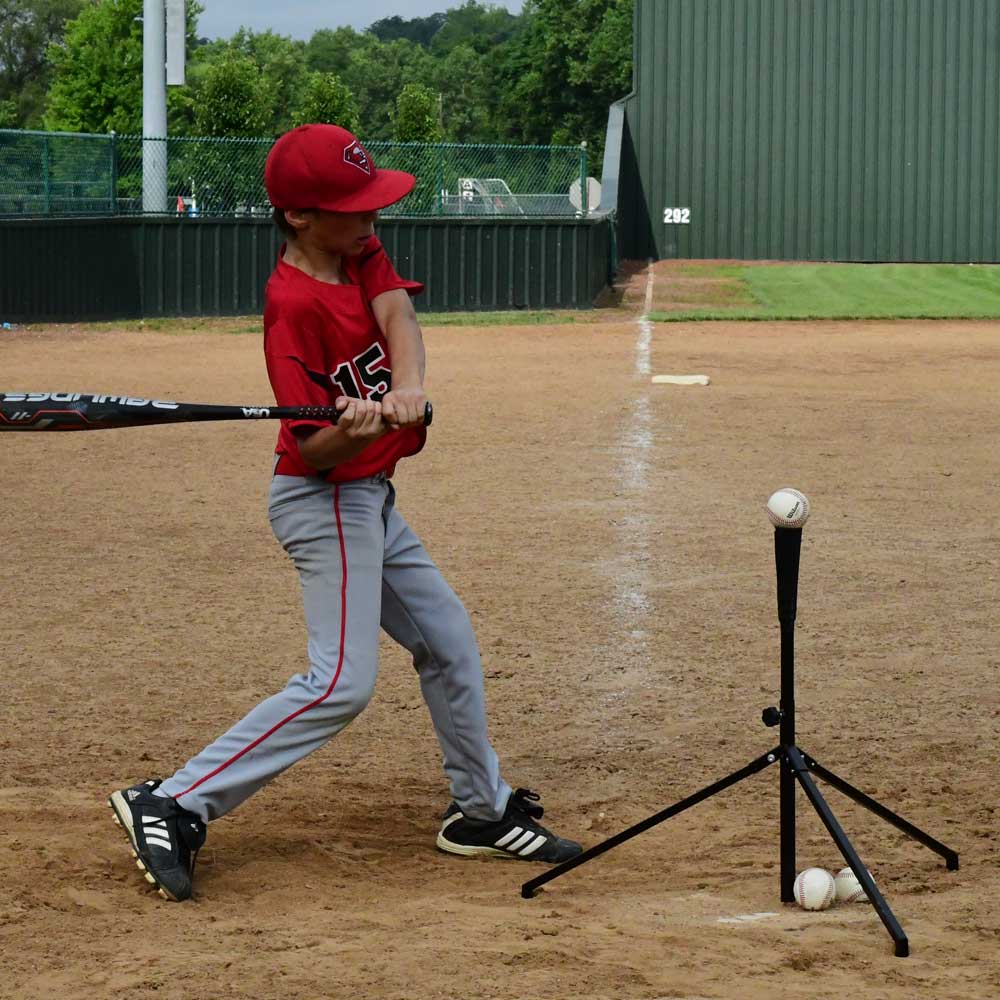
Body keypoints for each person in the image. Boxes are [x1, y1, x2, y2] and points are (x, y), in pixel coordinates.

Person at [108, 124, 582, 901]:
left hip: (370, 500)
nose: (372, 218)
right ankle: (175, 801)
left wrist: (405, 386)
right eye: (352, 207)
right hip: (323, 500)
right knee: (339, 684)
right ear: (298, 215)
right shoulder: (290, 305)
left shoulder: (358, 250)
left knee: (450, 644)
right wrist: (347, 426)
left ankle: (481, 813)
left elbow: (399, 317)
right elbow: (311, 450)